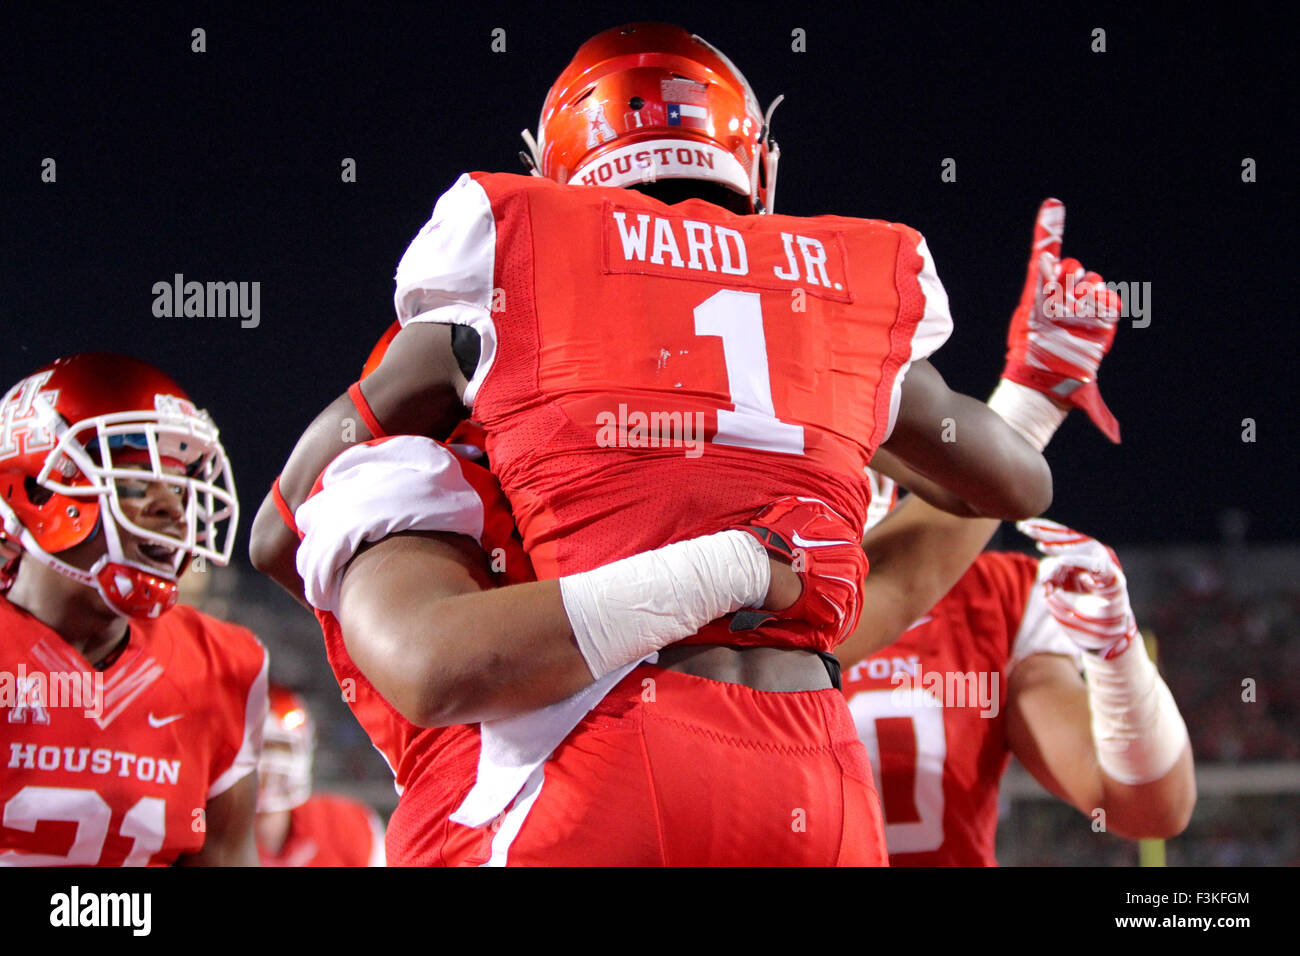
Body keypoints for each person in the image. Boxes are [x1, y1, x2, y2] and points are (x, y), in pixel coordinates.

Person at [252, 22, 1054, 865]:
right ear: (754, 155)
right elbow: (1015, 485)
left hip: (615, 738)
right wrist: (821, 414)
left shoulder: (508, 263)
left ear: (555, 163)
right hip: (821, 770)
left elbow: (284, 525)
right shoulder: (842, 289)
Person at [837, 204, 1195, 863]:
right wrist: (1031, 401)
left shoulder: (997, 596)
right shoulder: (760, 575)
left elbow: (1151, 809)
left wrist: (1118, 663)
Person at [0, 353, 266, 866]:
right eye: (137, 482)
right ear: (37, 489)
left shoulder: (221, 665)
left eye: (179, 483)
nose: (172, 507)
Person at [256, 684, 385, 866]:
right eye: (256, 749)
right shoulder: (204, 835)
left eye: (281, 747)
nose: (269, 763)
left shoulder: (346, 826)